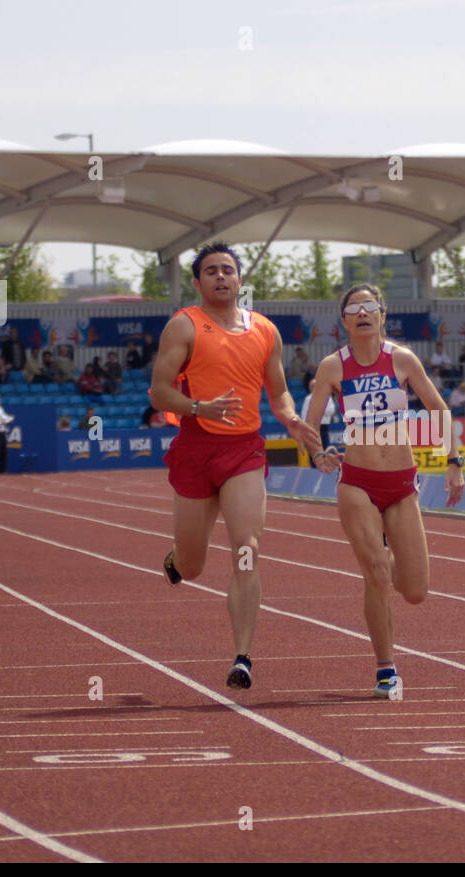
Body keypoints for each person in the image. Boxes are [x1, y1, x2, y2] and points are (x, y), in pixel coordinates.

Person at [153, 242, 321, 691]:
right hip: (195, 447)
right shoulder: (184, 326)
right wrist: (197, 407)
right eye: (211, 271)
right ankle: (178, 559)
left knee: (247, 550)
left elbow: (279, 391)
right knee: (192, 567)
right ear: (197, 282)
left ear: (241, 279)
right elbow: (159, 393)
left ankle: (242, 656)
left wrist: (292, 419)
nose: (221, 277)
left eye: (228, 270)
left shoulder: (265, 330)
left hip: (244, 451)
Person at [308, 283, 464, 698]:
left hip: (401, 483)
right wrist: (319, 453)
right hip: (357, 482)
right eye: (353, 308)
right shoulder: (332, 367)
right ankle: (385, 669)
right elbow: (312, 423)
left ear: (382, 315)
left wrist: (454, 462)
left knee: (414, 591)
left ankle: (384, 553)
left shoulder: (402, 359)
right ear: (343, 320)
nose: (362, 313)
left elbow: (439, 409)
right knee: (377, 575)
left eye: (370, 306)